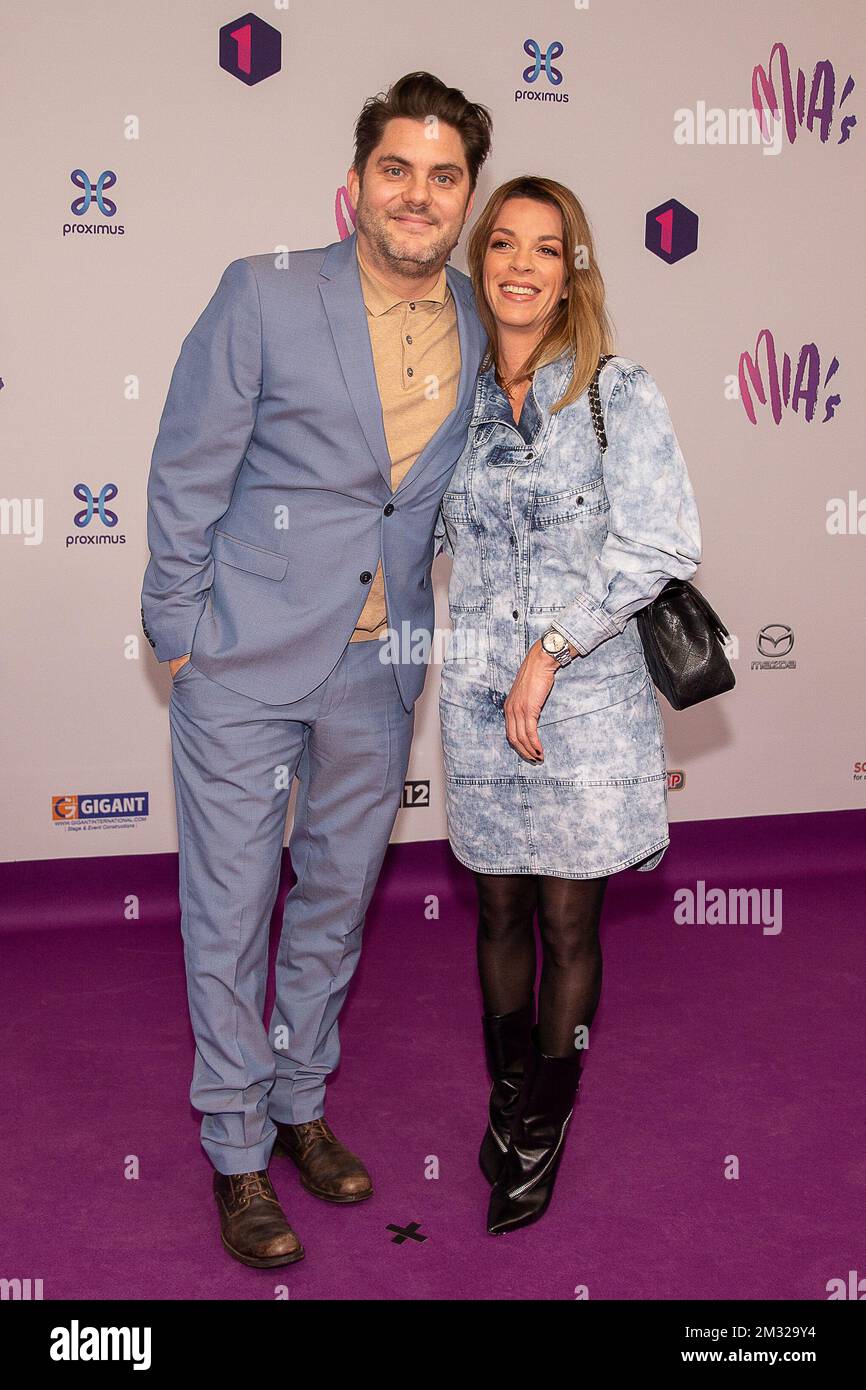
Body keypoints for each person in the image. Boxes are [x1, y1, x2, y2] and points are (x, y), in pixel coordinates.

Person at [140, 72, 492, 1267]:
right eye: (398, 168)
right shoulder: (266, 292)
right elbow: (188, 465)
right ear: (357, 182)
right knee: (230, 914)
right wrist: (178, 633)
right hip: (240, 660)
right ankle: (236, 1151)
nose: (418, 194)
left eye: (443, 177)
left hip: (378, 670)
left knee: (334, 910)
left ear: (465, 198)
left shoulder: (484, 322)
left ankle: (298, 1101)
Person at [435, 176, 702, 1235]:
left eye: (547, 249)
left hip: (581, 705)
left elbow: (662, 540)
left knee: (563, 917)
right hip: (472, 696)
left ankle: (544, 1117)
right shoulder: (446, 401)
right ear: (479, 260)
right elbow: (415, 535)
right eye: (502, 243)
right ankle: (506, 1091)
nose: (520, 265)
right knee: (496, 908)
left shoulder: (613, 390)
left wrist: (549, 648)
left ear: (572, 269)